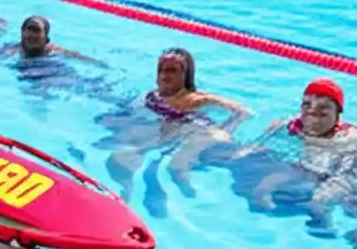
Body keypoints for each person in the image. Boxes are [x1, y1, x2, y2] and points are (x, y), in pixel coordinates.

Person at [97, 48, 249, 216]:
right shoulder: (155, 96)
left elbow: (243, 112)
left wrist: (226, 129)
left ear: (186, 75)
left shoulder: (195, 99)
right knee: (117, 159)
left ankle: (189, 197)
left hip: (196, 131)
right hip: (166, 131)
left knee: (176, 167)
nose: (164, 75)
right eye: (161, 69)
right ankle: (126, 193)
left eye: (172, 70)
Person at [239, 78, 357, 233]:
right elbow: (256, 149)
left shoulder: (352, 138)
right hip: (301, 172)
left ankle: (325, 222)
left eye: (323, 107)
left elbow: (355, 176)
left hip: (338, 176)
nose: (313, 111)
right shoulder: (286, 127)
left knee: (322, 201)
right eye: (307, 105)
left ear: (338, 113)